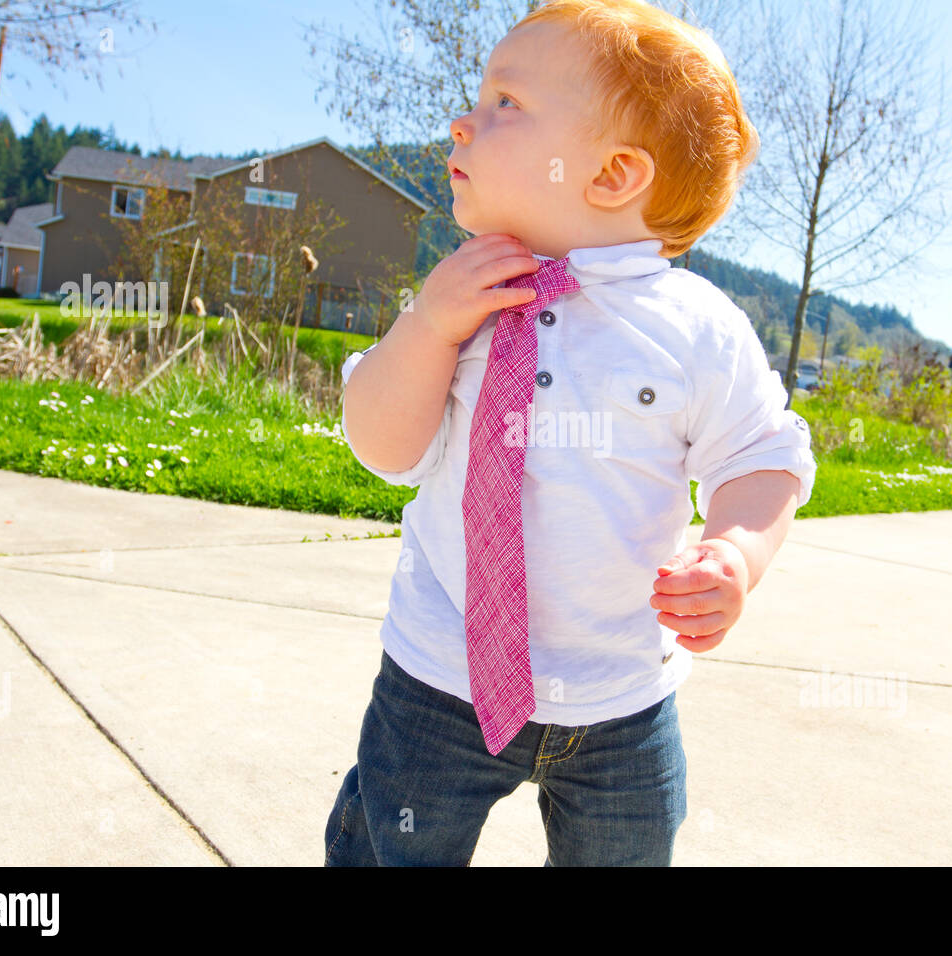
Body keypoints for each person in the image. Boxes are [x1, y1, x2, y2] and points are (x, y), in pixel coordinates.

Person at [325, 0, 816, 867]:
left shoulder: (694, 326)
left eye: (506, 103)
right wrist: (426, 329)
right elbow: (382, 445)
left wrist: (735, 554)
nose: (462, 120)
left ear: (614, 173)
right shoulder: (462, 297)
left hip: (622, 695)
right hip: (440, 681)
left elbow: (762, 456)